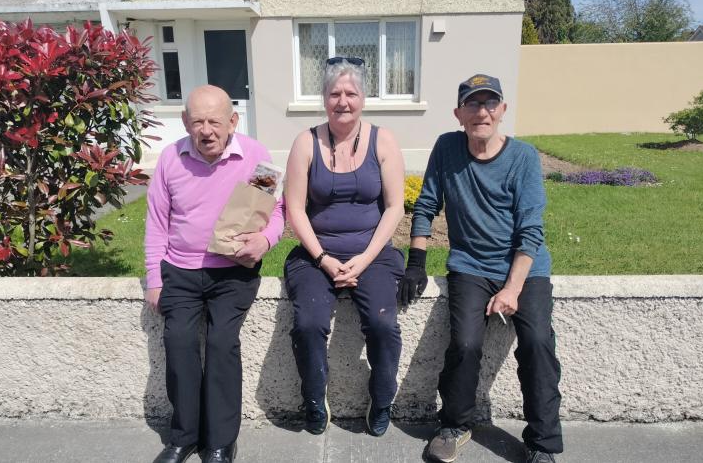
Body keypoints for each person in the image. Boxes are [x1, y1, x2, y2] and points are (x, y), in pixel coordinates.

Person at [398, 74, 563, 463]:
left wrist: (511, 289)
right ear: (459, 114)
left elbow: (531, 229)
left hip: (525, 267)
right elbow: (425, 205)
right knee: (465, 344)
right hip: (470, 265)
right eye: (473, 104)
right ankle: (455, 423)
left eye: (490, 103)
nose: (482, 112)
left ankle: (543, 443)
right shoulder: (447, 147)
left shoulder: (523, 156)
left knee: (538, 343)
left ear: (502, 110)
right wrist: (416, 263)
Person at [144, 85, 285, 463]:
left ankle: (221, 441)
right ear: (186, 123)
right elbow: (156, 224)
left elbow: (276, 211)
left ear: (232, 122)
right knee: (179, 342)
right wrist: (155, 280)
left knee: (223, 344)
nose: (206, 130)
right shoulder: (171, 159)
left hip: (232, 272)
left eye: (215, 121)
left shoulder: (255, 155)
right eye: (197, 122)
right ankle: (183, 437)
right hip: (181, 270)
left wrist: (265, 241)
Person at [283, 57, 406, 437]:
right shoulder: (305, 142)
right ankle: (315, 399)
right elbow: (294, 209)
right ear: (324, 98)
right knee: (308, 323)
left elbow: (395, 207)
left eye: (351, 93)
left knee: (384, 324)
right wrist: (323, 258)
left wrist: (364, 259)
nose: (343, 101)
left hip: (374, 254)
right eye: (335, 93)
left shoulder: (383, 140)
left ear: (363, 98)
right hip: (315, 255)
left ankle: (383, 398)